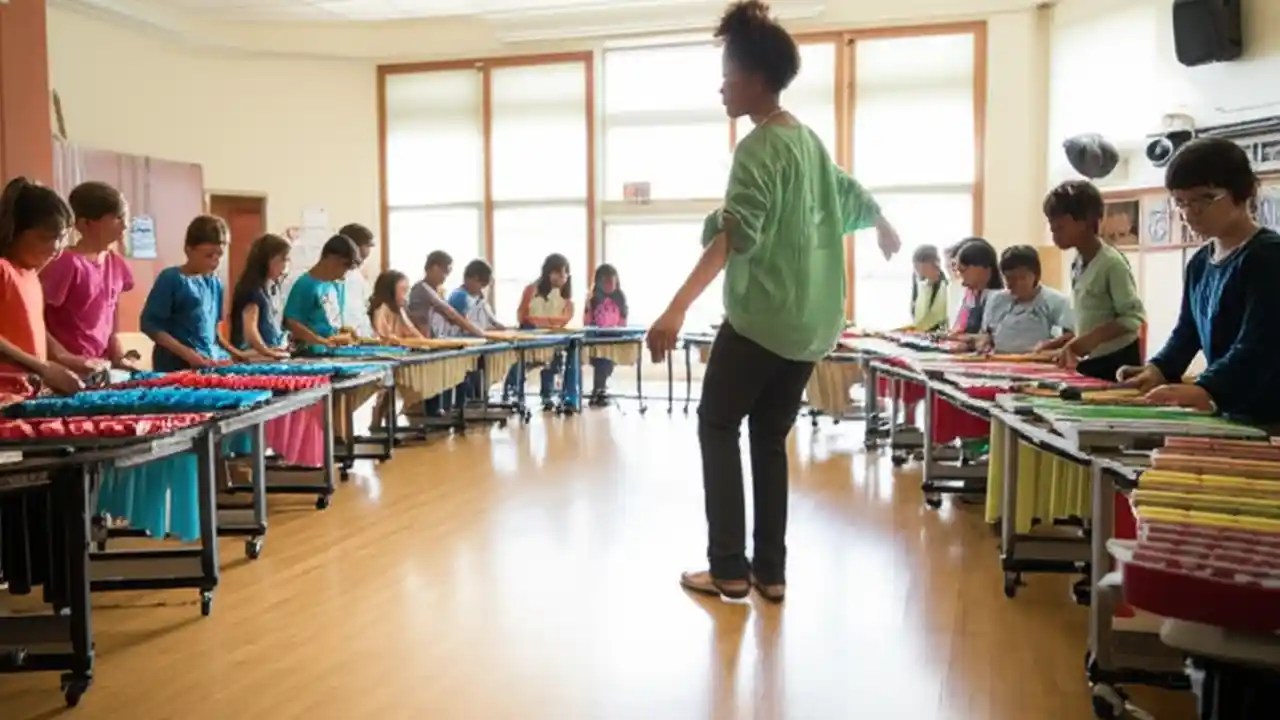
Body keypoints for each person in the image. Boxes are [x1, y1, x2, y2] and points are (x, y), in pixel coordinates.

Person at [644, 0, 901, 603]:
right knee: (767, 438)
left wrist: (676, 306)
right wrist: (882, 221)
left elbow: (735, 236)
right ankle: (771, 571)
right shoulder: (808, 142)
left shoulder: (758, 148)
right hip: (811, 330)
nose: (722, 88)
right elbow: (849, 192)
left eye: (728, 76)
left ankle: (729, 568)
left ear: (756, 78)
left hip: (763, 320)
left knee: (716, 425)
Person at [1119, 137, 1280, 422]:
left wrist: (1207, 388)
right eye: (1181, 202)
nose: (1189, 213)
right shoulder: (1200, 263)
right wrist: (1158, 369)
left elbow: (1260, 345)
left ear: (1242, 192)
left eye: (1203, 199)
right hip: (1231, 413)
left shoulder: (1268, 256)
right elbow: (1187, 332)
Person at [1036, 180, 1146, 381]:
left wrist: (1088, 341)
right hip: (1092, 359)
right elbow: (1088, 320)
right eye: (1051, 227)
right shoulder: (1077, 262)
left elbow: (1132, 318)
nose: (1053, 234)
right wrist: (1058, 344)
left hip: (1117, 361)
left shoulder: (1111, 264)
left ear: (1084, 222)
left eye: (1059, 227)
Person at [40, 181, 137, 373]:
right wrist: (62, 356)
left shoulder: (116, 263)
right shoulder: (65, 263)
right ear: (85, 223)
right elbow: (33, 317)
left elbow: (110, 314)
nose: (125, 225)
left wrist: (118, 354)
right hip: (66, 372)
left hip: (100, 369)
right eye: (118, 218)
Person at [0, 177, 83, 395]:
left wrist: (63, 357)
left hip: (25, 394)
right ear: (14, 231)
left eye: (60, 238)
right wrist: (43, 368)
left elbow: (25, 326)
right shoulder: (3, 269)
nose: (56, 249)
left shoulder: (30, 275)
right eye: (45, 238)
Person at [140, 215, 247, 371]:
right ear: (188, 250)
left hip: (208, 365)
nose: (215, 261)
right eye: (208, 255)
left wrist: (236, 354)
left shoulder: (215, 283)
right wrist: (188, 354)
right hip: (176, 367)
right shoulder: (172, 279)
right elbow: (150, 325)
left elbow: (213, 334)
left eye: (219, 255)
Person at [979, 245, 1074, 354]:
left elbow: (1072, 335)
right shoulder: (996, 300)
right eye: (1009, 278)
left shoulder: (1056, 301)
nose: (1016, 283)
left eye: (1022, 278)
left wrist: (1050, 345)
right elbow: (987, 333)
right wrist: (984, 342)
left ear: (1036, 275)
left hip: (1038, 358)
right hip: (1000, 357)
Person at [511, 253, 574, 410]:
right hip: (530, 336)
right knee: (519, 365)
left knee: (554, 364)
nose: (561, 277)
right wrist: (539, 322)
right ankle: (514, 393)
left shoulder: (565, 296)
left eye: (564, 273)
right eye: (557, 272)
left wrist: (545, 322)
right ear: (548, 272)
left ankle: (548, 395)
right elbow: (522, 315)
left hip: (553, 338)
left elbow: (565, 318)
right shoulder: (531, 290)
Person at [282, 233, 361, 348]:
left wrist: (343, 333)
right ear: (331, 259)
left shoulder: (335, 284)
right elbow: (292, 323)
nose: (343, 274)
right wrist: (320, 341)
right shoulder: (305, 285)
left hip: (332, 349)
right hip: (311, 352)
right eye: (344, 266)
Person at [230, 233, 292, 360]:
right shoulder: (251, 289)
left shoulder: (269, 288)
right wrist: (267, 352)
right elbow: (250, 331)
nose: (285, 266)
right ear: (267, 259)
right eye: (283, 259)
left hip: (264, 353)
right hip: (251, 356)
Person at [407, 251, 486, 339]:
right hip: (428, 338)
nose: (445, 278)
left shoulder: (435, 290)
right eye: (445, 272)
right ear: (435, 268)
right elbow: (451, 313)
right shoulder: (422, 289)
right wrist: (476, 331)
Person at [583, 263, 628, 406]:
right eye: (605, 282)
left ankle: (600, 390)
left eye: (611, 281)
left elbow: (623, 319)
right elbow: (587, 321)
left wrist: (619, 331)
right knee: (601, 365)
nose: (609, 285)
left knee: (607, 366)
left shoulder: (620, 298)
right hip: (598, 339)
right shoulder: (593, 299)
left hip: (614, 338)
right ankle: (599, 391)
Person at [949, 237, 1004, 339]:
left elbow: (989, 337)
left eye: (964, 271)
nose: (963, 282)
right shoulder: (973, 296)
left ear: (982, 268)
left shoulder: (999, 299)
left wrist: (964, 337)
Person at [337, 222, 375, 337]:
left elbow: (362, 312)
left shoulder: (357, 277)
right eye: (360, 258)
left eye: (362, 260)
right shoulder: (331, 276)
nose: (360, 263)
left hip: (358, 339)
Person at [447, 259, 504, 331]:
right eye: (481, 286)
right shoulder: (460, 297)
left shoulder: (477, 297)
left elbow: (489, 320)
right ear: (474, 278)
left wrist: (495, 324)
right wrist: (487, 329)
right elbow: (461, 326)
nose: (481, 291)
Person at [368, 270, 424, 341]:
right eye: (403, 290)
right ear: (390, 291)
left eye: (407, 291)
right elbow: (384, 338)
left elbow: (414, 333)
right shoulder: (382, 309)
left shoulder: (400, 310)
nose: (406, 297)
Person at [906, 244, 947, 333]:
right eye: (915, 267)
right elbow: (916, 316)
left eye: (919, 267)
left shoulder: (945, 287)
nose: (917, 271)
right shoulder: (920, 282)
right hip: (920, 333)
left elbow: (931, 321)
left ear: (935, 264)